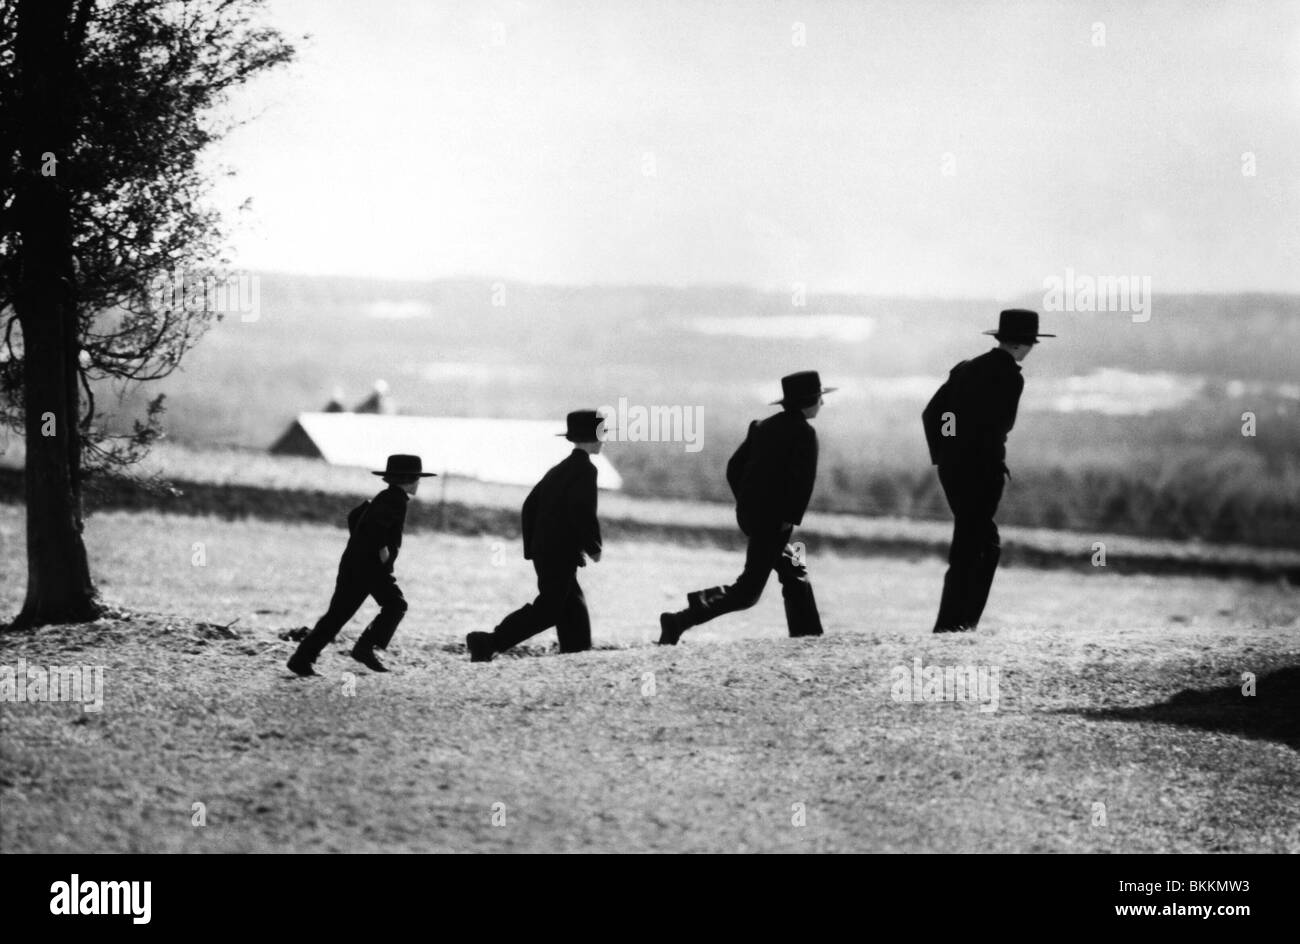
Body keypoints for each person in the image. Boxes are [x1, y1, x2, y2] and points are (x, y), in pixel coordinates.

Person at [658, 371, 830, 644]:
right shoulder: (805, 433)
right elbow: (802, 483)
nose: (823, 403)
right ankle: (679, 619)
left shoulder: (762, 426)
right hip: (776, 524)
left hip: (755, 518)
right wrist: (786, 518)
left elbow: (734, 468)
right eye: (820, 398)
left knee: (794, 568)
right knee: (748, 592)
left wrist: (748, 503)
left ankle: (808, 635)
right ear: (809, 401)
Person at [922, 308, 1053, 633]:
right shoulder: (1011, 377)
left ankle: (956, 624)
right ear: (1025, 345)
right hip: (982, 473)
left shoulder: (964, 369)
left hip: (953, 471)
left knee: (976, 544)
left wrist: (948, 451)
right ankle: (957, 625)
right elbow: (1001, 427)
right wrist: (983, 457)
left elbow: (934, 414)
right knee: (977, 547)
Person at [466, 410, 606, 662]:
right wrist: (593, 546)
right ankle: (488, 641)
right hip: (559, 553)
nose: (604, 440)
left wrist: (533, 547)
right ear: (593, 437)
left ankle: (577, 651)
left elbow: (529, 505)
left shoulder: (558, 469)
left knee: (570, 602)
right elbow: (582, 511)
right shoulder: (585, 470)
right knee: (549, 609)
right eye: (602, 434)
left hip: (548, 551)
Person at [286, 454, 434, 675]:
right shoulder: (395, 499)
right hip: (370, 567)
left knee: (337, 616)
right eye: (417, 478)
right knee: (395, 605)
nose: (419, 483)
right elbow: (375, 528)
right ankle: (365, 647)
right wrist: (383, 554)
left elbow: (355, 516)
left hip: (356, 564)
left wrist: (360, 546)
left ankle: (302, 659)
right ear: (408, 479)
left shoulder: (385, 496)